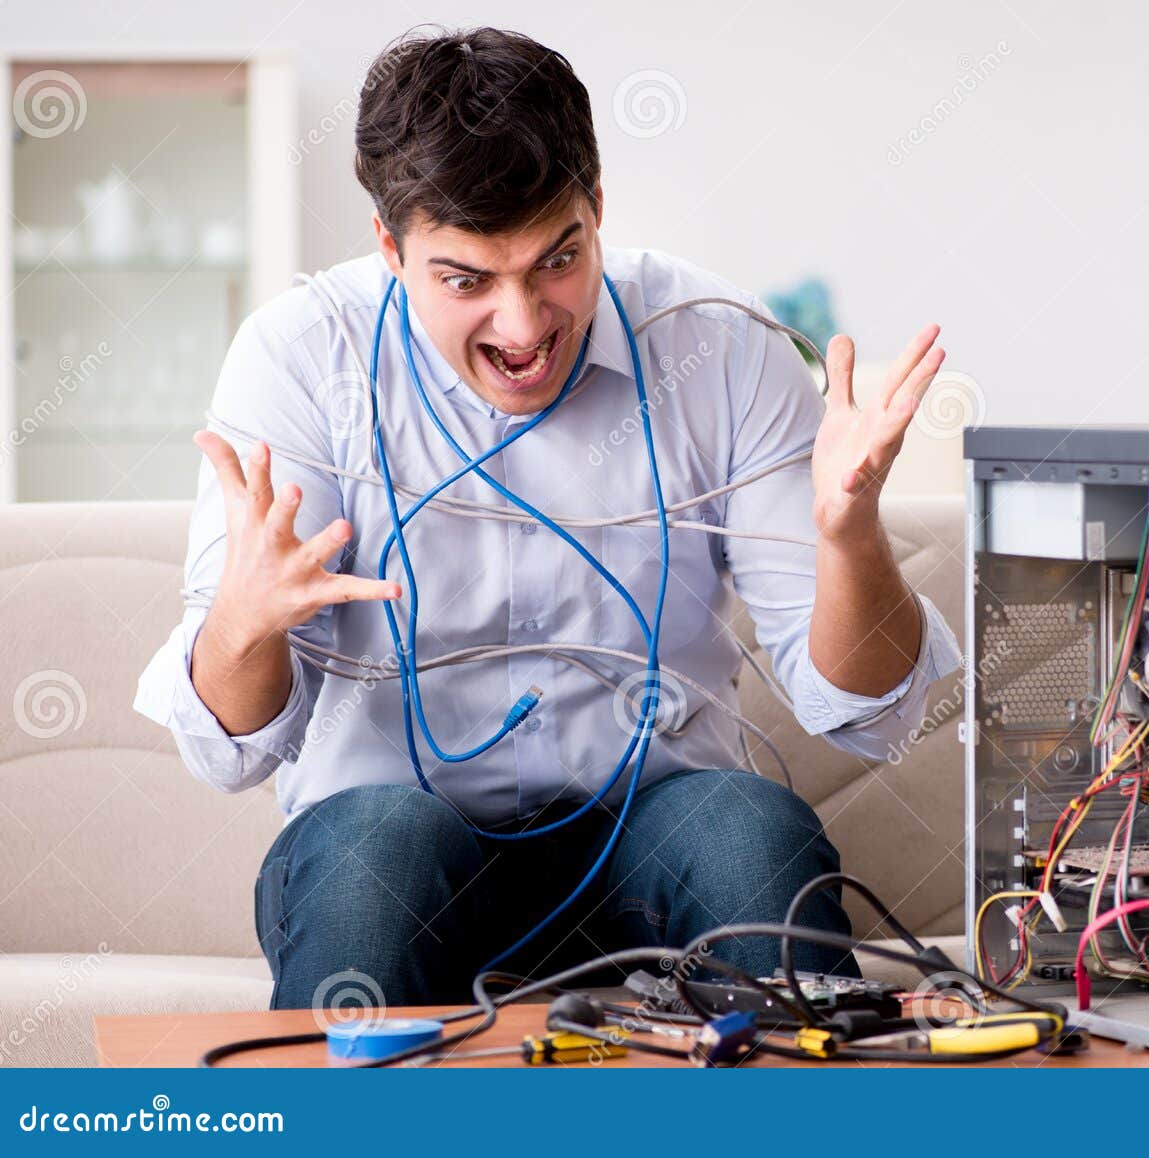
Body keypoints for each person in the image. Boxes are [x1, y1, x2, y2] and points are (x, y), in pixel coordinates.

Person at [134, 26, 961, 1010]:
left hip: (656, 833)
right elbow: (222, 752)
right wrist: (244, 623)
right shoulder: (303, 359)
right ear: (391, 249)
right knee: (376, 851)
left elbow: (866, 716)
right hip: (399, 856)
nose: (523, 328)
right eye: (466, 280)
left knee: (747, 831)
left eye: (556, 261)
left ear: (598, 208)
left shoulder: (714, 345)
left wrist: (849, 533)